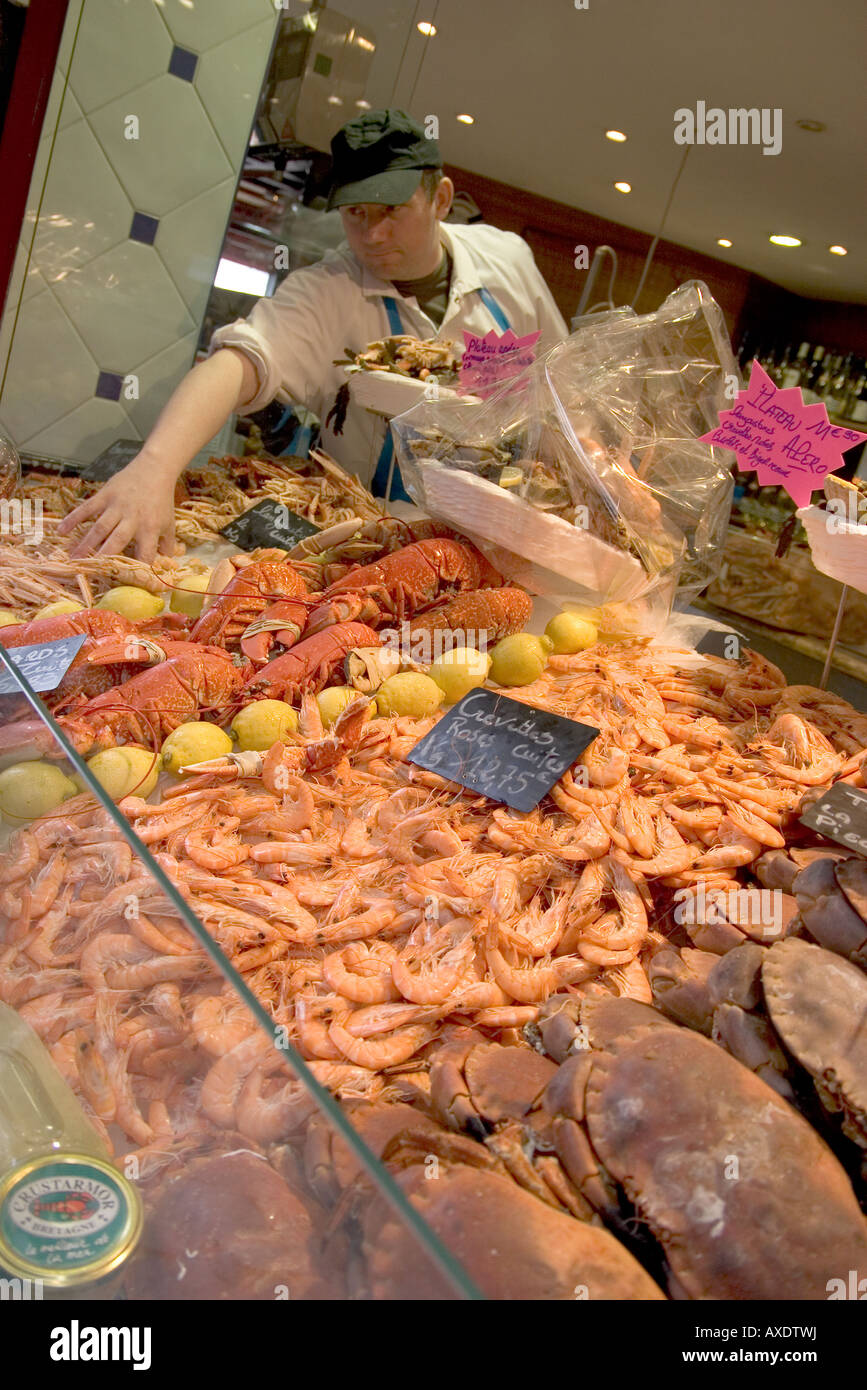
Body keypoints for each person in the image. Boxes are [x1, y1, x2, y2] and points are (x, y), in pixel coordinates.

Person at [62, 109, 567, 561]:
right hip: (371, 542)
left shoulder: (509, 261)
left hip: (495, 540)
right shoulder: (328, 291)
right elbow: (238, 361)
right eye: (356, 213)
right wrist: (155, 466)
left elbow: (565, 382)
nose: (372, 234)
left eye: (390, 209)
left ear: (441, 199)